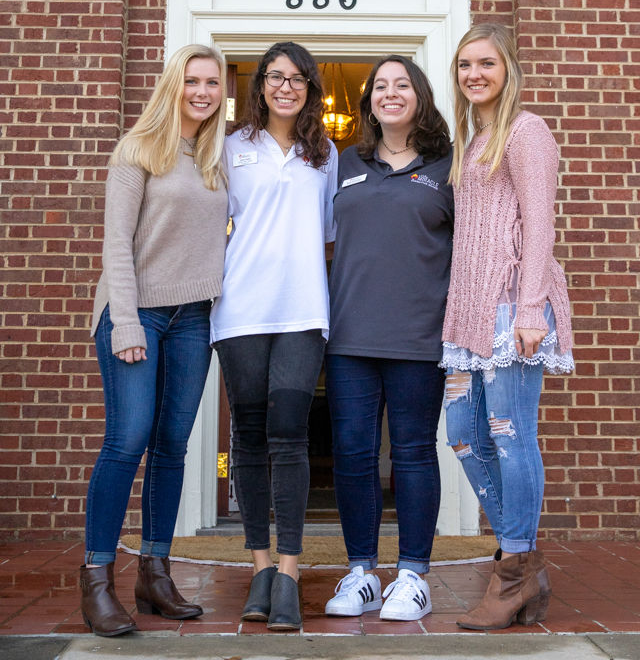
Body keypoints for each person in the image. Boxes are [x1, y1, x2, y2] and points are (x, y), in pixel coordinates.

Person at [81, 44, 228, 637]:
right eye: (191, 80)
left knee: (172, 445)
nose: (201, 91)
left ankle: (154, 573)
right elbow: (116, 242)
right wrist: (126, 320)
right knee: (128, 440)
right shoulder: (137, 150)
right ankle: (96, 579)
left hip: (194, 316)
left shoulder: (217, 160)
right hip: (136, 311)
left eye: (212, 83)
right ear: (174, 85)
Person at [441, 22, 573, 630]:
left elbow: (541, 226)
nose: (475, 75)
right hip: (468, 314)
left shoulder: (526, 131)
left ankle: (514, 568)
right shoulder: (477, 138)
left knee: (511, 433)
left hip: (510, 309)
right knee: (464, 434)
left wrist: (528, 313)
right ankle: (522, 559)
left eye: (486, 64)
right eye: (466, 65)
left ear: (508, 68)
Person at [211, 41, 338, 631]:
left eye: (297, 79)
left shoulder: (326, 155)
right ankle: (259, 563)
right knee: (250, 436)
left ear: (311, 89)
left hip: (303, 313)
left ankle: (289, 568)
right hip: (241, 313)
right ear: (259, 85)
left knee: (290, 436)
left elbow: (331, 237)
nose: (285, 86)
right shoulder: (231, 148)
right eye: (275, 77)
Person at [324, 56, 454, 622]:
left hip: (419, 337)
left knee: (413, 454)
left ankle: (413, 574)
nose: (391, 94)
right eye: (381, 86)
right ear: (368, 101)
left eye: (403, 85)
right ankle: (361, 573)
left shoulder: (448, 168)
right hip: (350, 334)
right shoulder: (345, 162)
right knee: (352, 456)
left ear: (420, 97)